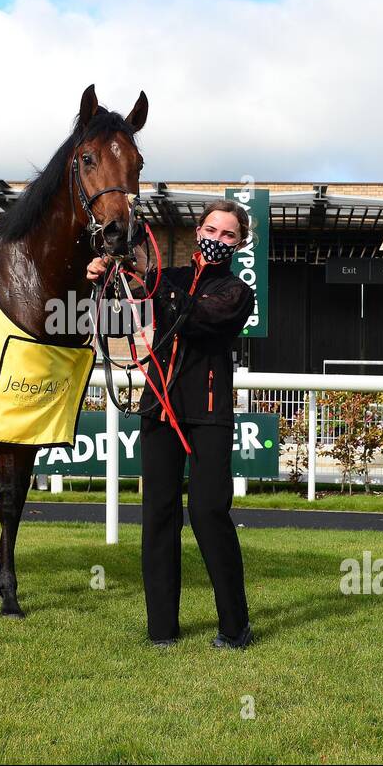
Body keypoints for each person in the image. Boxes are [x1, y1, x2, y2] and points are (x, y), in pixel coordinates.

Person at [87, 200, 256, 648]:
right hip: (158, 410)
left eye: (228, 235)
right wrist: (105, 269)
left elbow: (196, 320)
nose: (217, 240)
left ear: (241, 243)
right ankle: (161, 629)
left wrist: (151, 286)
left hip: (208, 415)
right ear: (198, 230)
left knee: (207, 513)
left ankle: (235, 627)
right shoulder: (172, 278)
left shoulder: (237, 291)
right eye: (211, 230)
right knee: (158, 516)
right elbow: (135, 286)